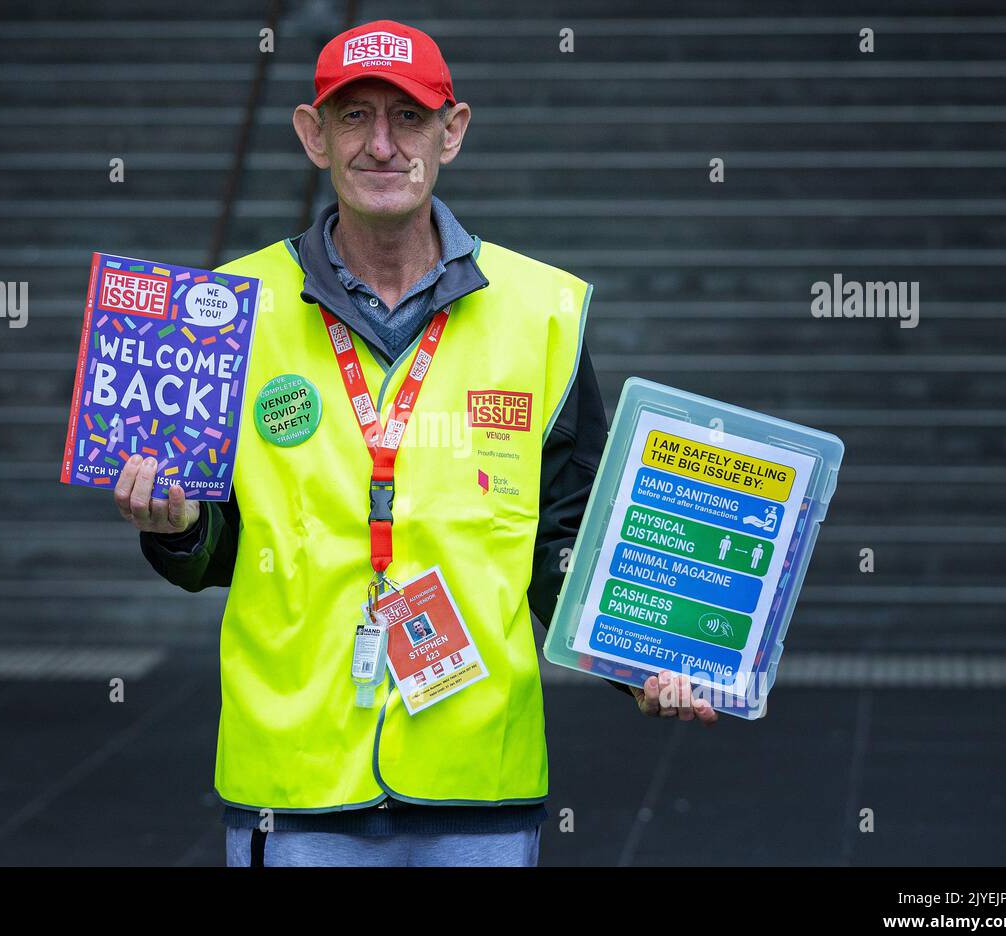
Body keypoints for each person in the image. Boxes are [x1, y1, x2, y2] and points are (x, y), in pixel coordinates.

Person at [115, 19, 716, 868]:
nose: (383, 144)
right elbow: (215, 552)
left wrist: (646, 660)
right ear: (311, 135)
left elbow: (567, 540)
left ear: (453, 131)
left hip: (478, 781)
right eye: (355, 116)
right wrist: (172, 527)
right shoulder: (226, 310)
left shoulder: (541, 313)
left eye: (409, 116)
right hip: (294, 785)